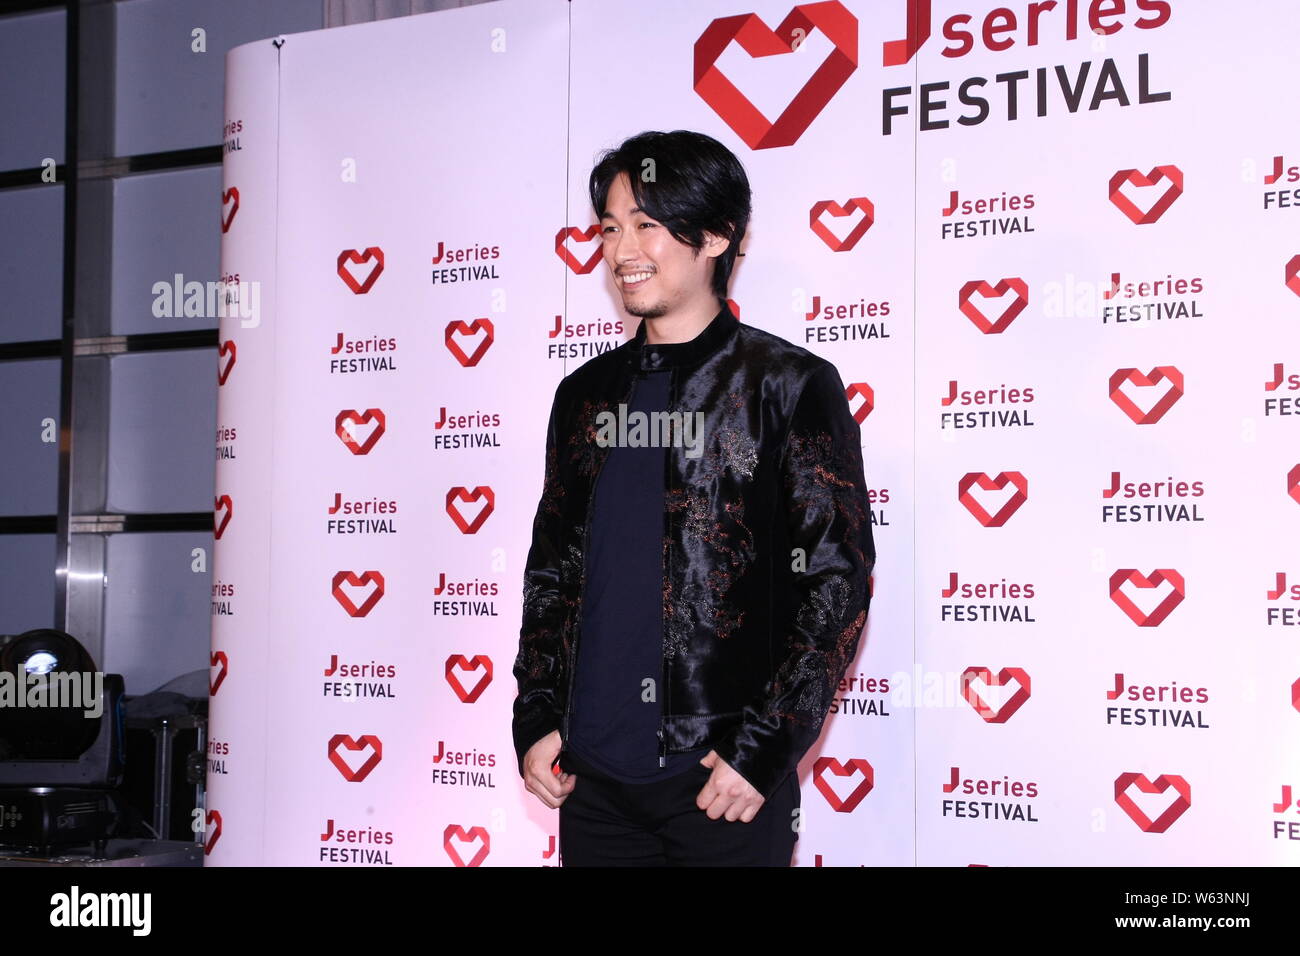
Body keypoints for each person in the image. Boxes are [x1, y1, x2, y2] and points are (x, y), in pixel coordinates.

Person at [512, 129, 874, 866]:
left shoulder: (787, 385)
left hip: (719, 780)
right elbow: (552, 571)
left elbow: (836, 582)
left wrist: (764, 748)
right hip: (592, 781)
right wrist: (538, 715)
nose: (621, 251)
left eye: (646, 224)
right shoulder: (583, 396)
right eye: (610, 227)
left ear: (714, 235)